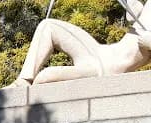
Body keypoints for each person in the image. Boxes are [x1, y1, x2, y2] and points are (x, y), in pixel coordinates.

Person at [9, 0, 151, 87]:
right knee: (48, 26)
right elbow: (134, 12)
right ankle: (24, 80)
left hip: (102, 69)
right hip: (98, 50)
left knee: (44, 77)